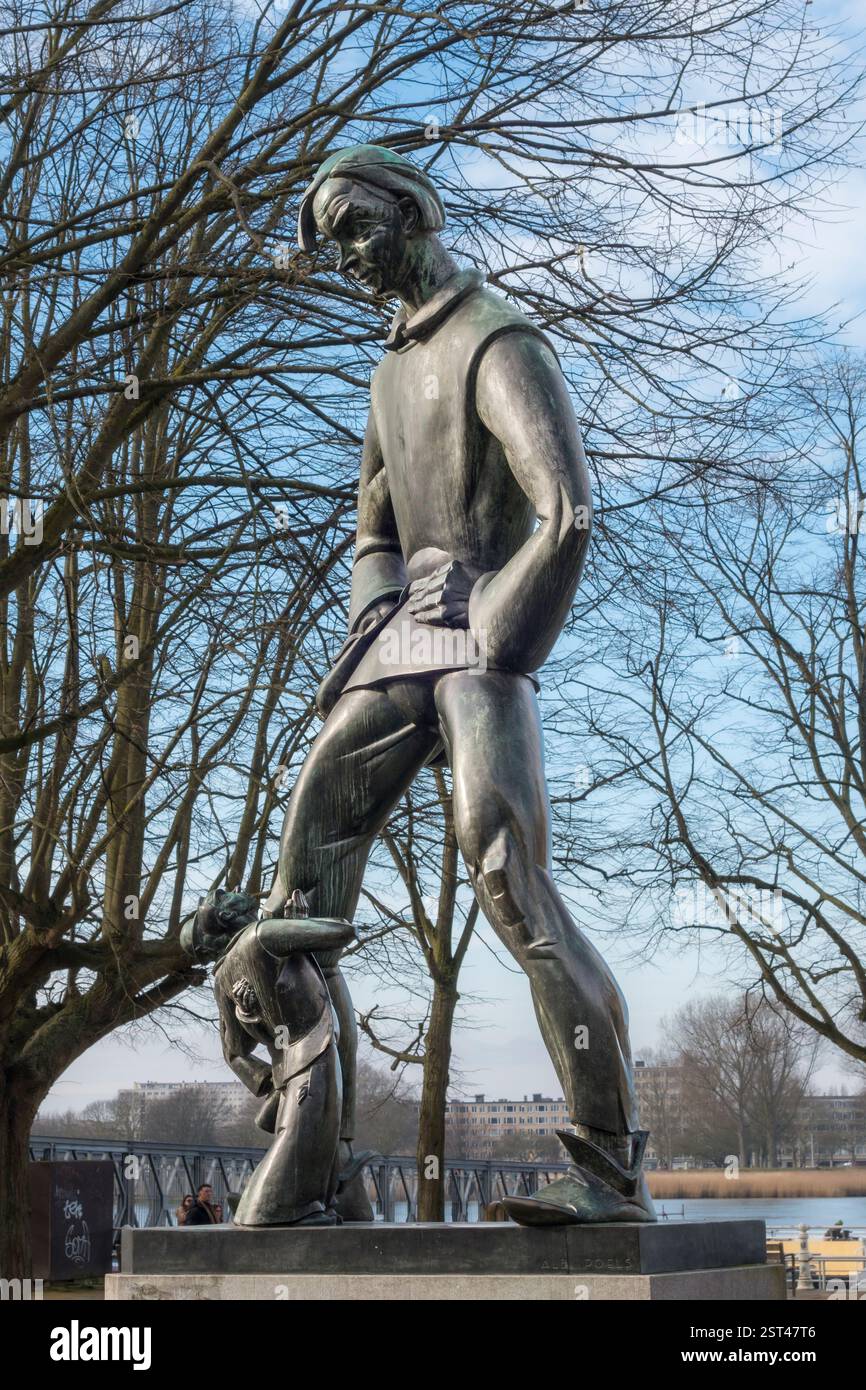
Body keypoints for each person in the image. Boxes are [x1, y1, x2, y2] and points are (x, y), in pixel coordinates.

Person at [254, 144, 655, 1225]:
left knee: (508, 881)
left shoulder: (497, 339)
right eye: (325, 239)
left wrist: (490, 628)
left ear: (413, 212)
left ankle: (609, 1166)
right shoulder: (386, 375)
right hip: (399, 650)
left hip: (481, 638)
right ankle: (316, 1171)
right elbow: (372, 534)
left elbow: (566, 510)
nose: (340, 255)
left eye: (351, 228)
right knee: (299, 882)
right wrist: (374, 624)